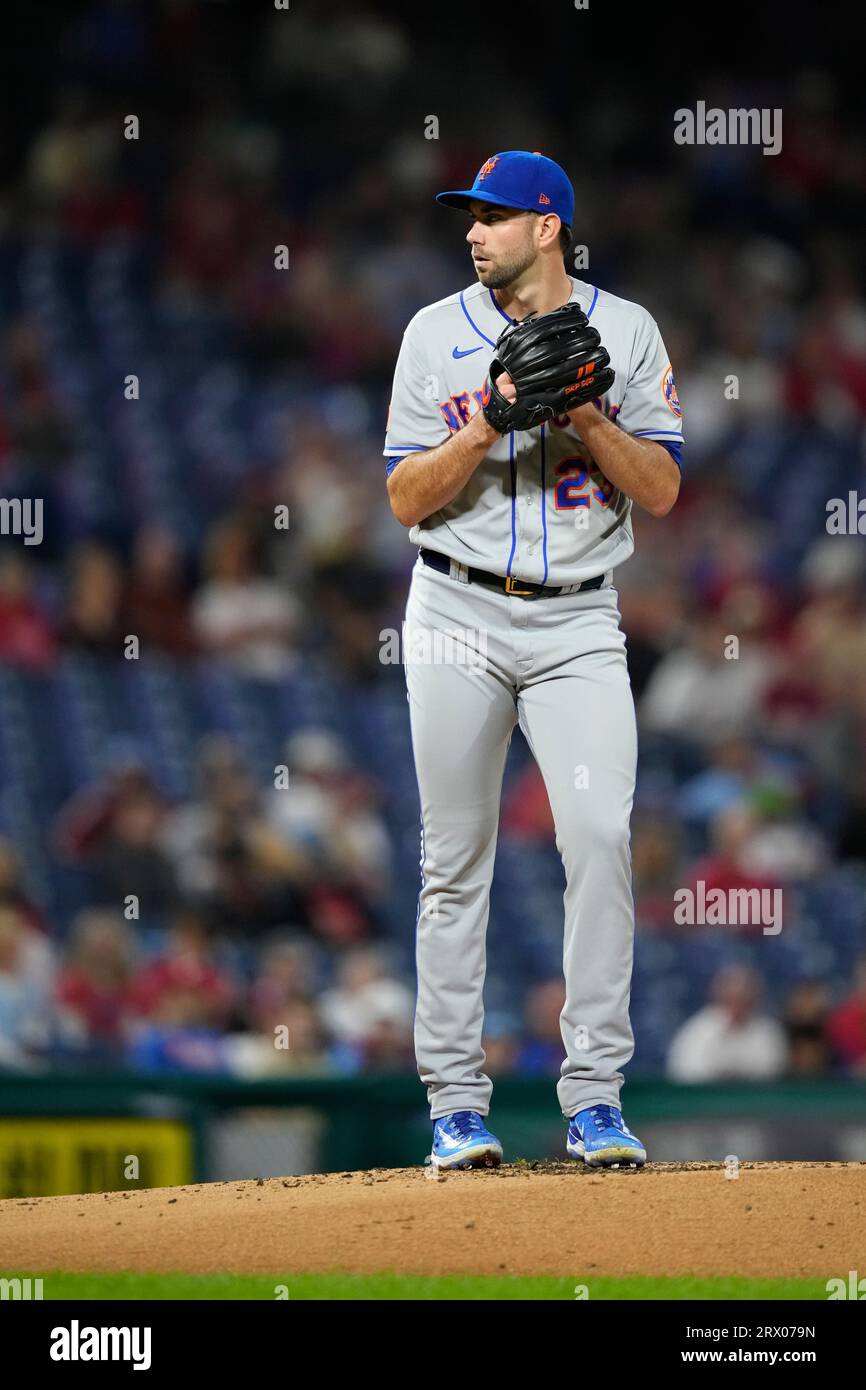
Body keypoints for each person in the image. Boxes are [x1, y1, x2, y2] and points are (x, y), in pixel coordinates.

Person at [384, 150, 683, 1169]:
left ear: (546, 226)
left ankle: (594, 1098)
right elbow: (401, 498)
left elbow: (660, 490)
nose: (473, 231)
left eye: (493, 216)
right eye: (467, 216)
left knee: (599, 836)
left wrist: (587, 414)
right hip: (453, 609)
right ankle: (454, 1106)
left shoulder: (627, 330)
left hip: (577, 624)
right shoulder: (432, 333)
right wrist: (491, 423)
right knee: (451, 858)